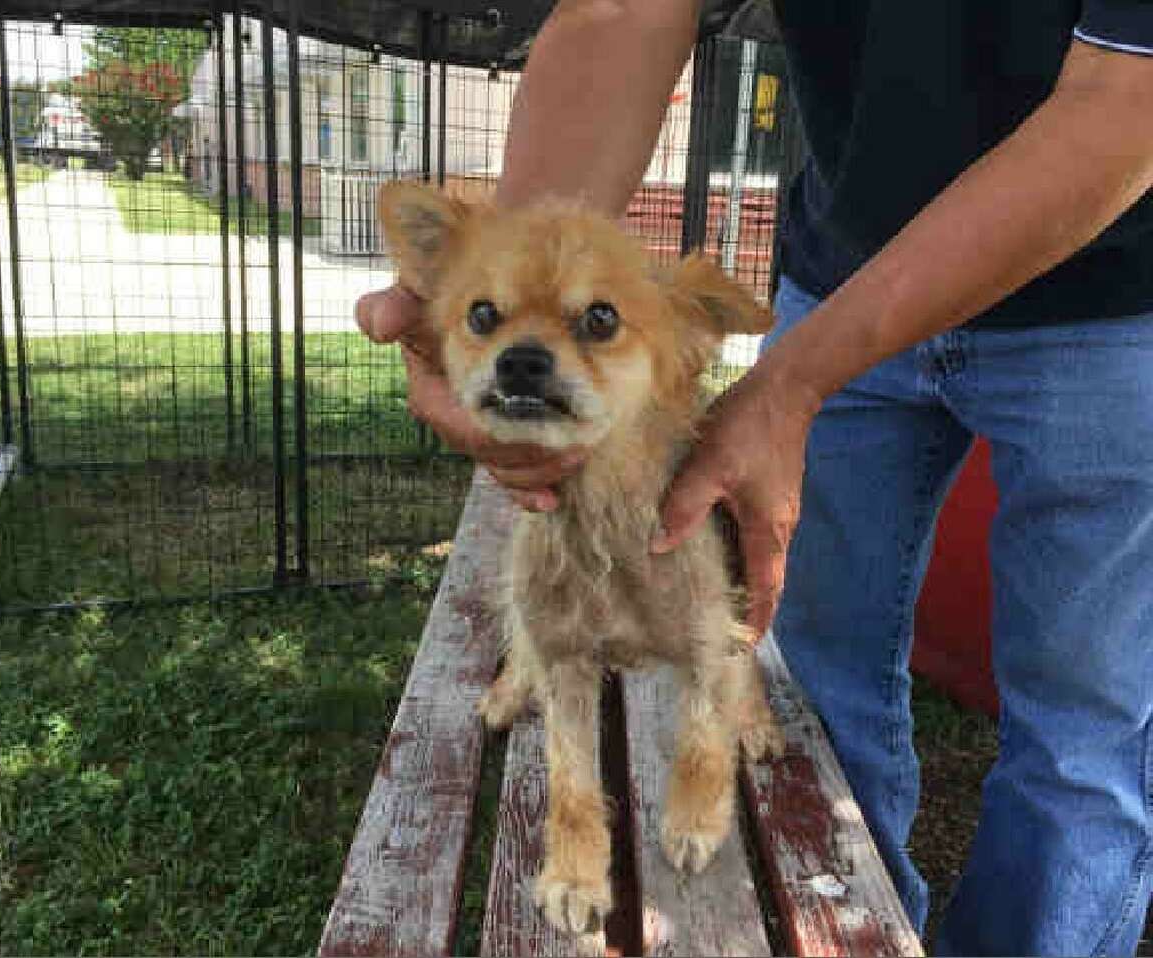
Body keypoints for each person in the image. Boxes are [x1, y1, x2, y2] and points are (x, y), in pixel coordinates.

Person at [358, 1, 1153, 952]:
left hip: (1112, 293)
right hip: (845, 264)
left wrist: (794, 383)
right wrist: (490, 279)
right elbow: (621, 7)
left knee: (1081, 735)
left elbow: (1127, 104)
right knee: (821, 689)